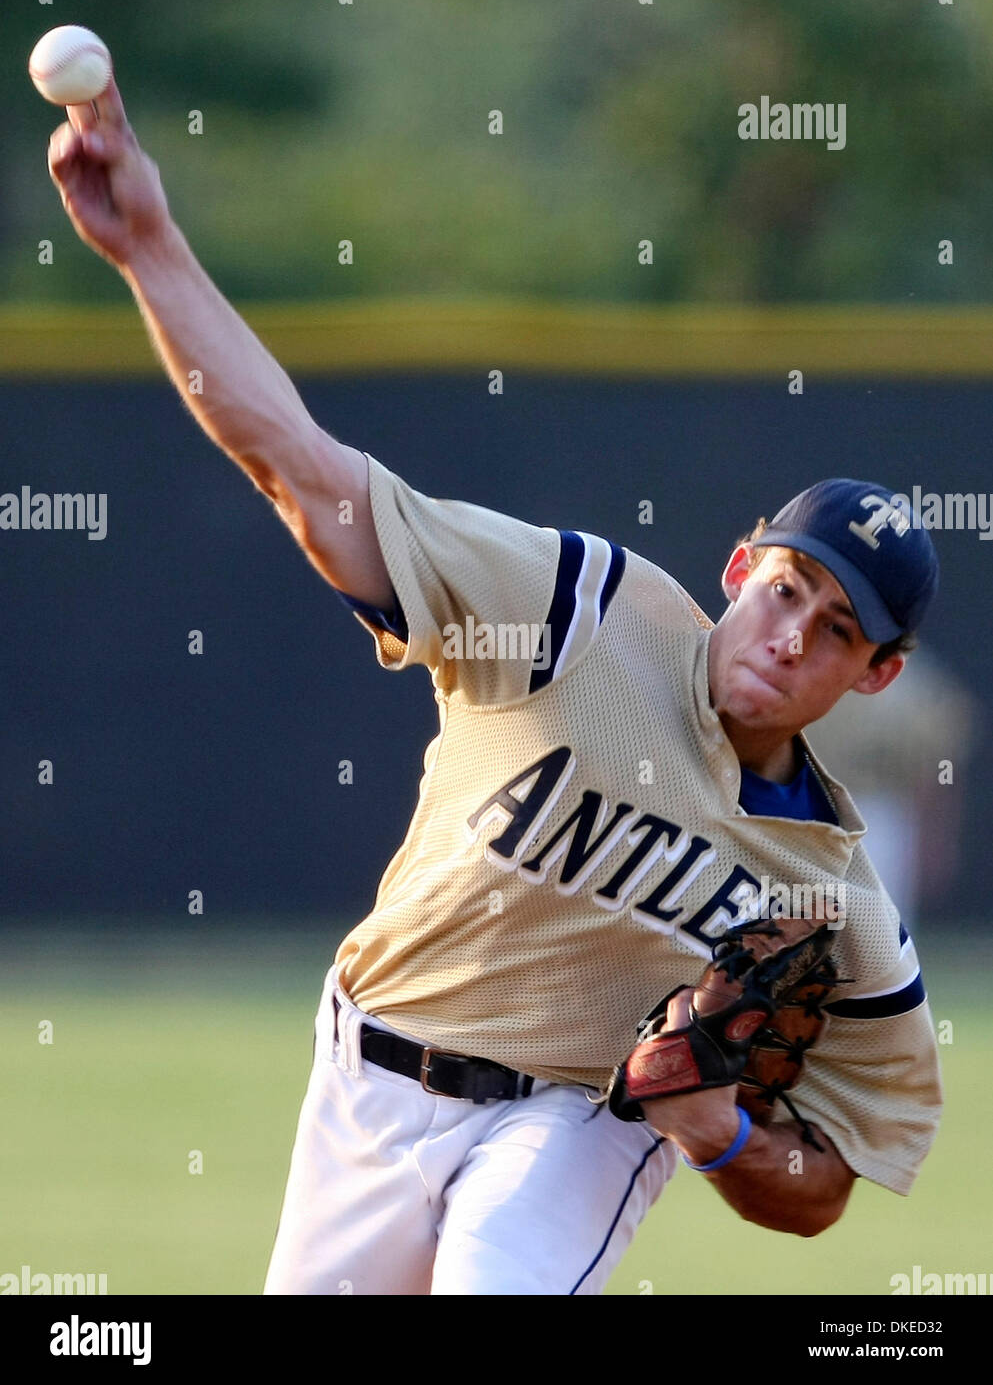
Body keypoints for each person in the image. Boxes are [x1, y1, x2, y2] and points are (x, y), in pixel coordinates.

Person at [48, 81, 943, 1297]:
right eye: (787, 589)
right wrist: (149, 244)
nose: (792, 636)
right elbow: (308, 479)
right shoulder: (576, 606)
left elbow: (828, 1186)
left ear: (878, 674)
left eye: (837, 630)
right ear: (740, 568)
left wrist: (722, 1133)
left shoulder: (835, 906)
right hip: (365, 1072)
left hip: (580, 1124)